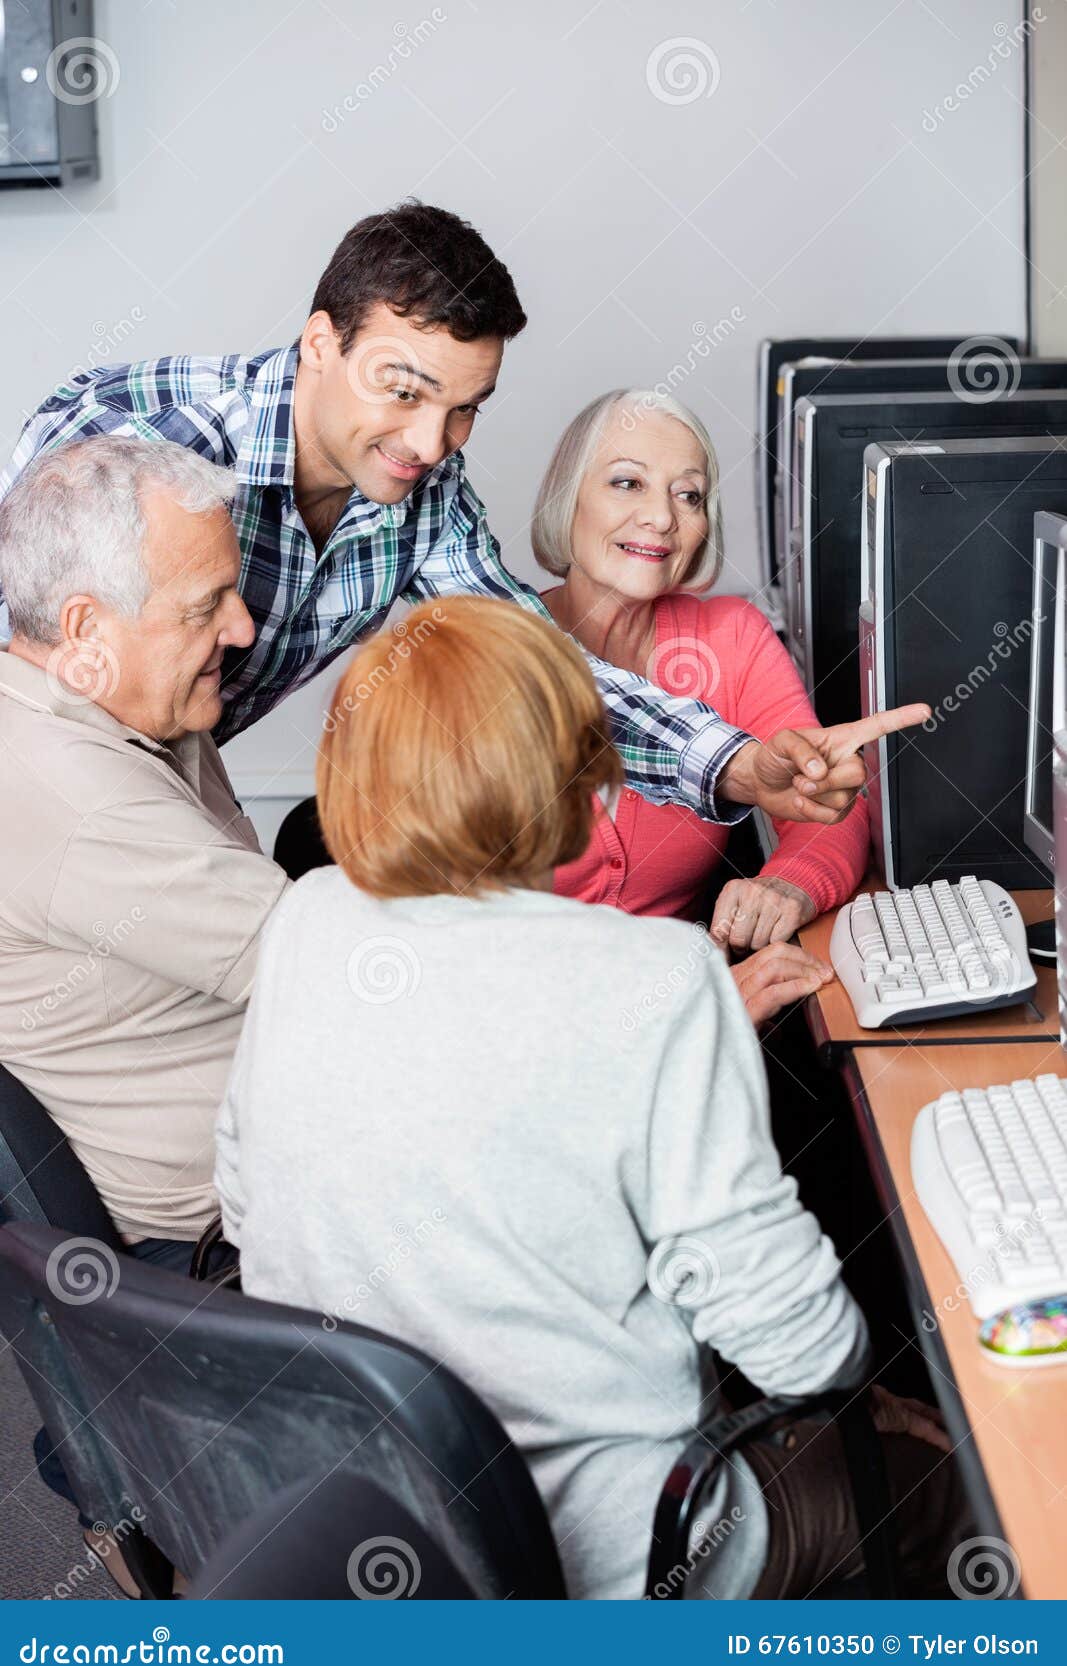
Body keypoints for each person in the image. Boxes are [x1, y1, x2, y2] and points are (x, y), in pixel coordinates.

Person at [215, 597, 961, 1602]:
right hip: (623, 1554)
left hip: (356, 1520)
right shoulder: (654, 973)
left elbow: (245, 1206)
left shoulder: (305, 919)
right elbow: (806, 1351)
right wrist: (863, 1393)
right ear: (578, 777)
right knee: (960, 1486)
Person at [0, 203, 876, 838]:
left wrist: (737, 765)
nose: (429, 443)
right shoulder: (131, 434)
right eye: (402, 391)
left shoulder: (423, 492)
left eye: (464, 408)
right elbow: (25, 673)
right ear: (320, 344)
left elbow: (538, 670)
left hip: (178, 784)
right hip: (41, 800)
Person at [0, 435, 286, 1587]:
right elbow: (345, 974)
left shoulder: (113, 710)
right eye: (206, 605)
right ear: (84, 629)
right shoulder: (71, 796)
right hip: (220, 1257)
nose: (244, 630)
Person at [536, 389, 870, 1027]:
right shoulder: (485, 652)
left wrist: (788, 883)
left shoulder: (731, 636)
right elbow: (449, 932)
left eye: (688, 495)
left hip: (678, 1012)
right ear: (566, 498)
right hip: (521, 1030)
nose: (661, 517)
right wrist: (678, 1013)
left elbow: (828, 808)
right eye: (627, 483)